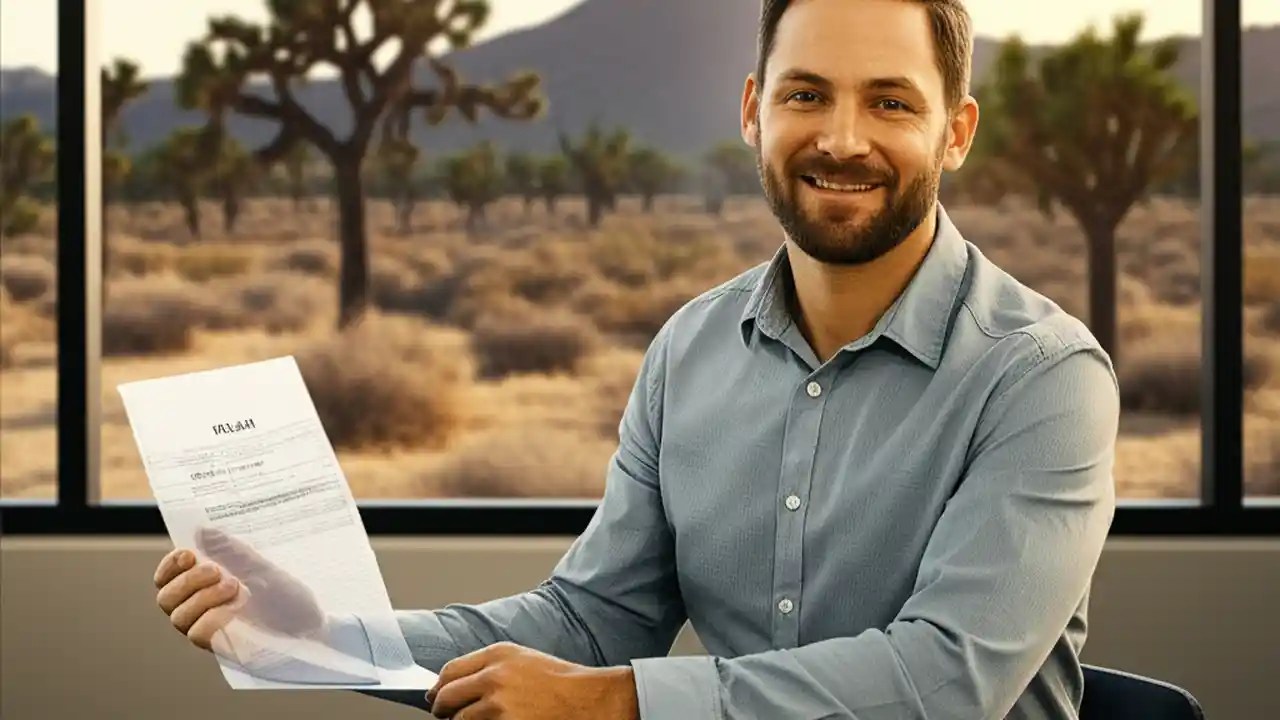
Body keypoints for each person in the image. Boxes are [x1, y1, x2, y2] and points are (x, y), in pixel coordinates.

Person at [152, 0, 1120, 717]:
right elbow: (585, 622)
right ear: (752, 112)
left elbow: (939, 684)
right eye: (806, 94)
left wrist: (614, 704)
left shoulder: (1041, 380)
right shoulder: (687, 354)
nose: (839, 137)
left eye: (889, 103)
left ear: (954, 132)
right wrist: (324, 634)